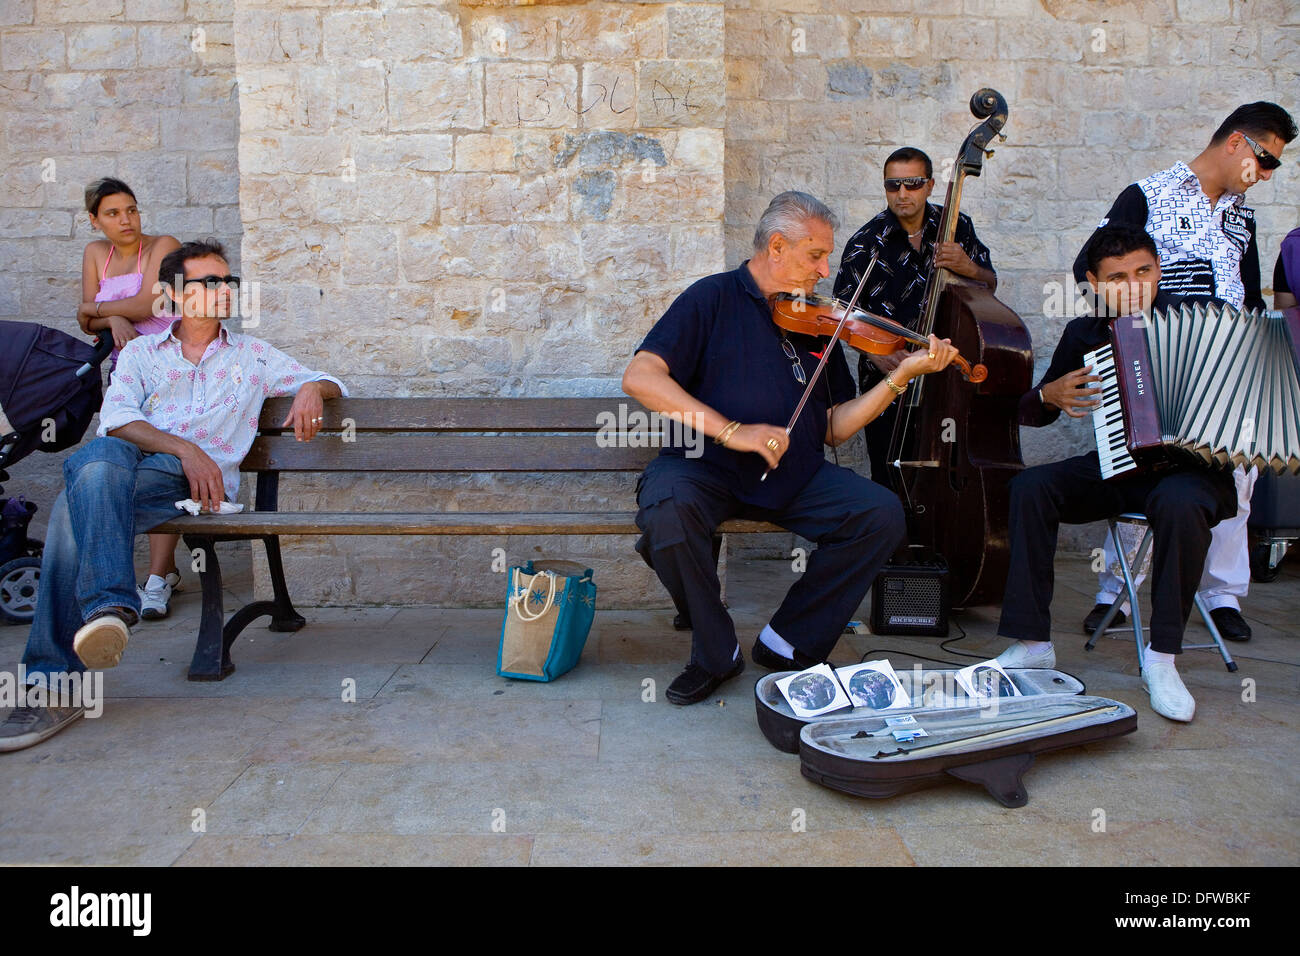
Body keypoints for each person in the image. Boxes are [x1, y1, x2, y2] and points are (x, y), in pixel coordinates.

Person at [0, 240, 347, 753]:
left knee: (78, 495)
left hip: (188, 489)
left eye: (228, 281)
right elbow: (116, 419)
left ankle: (63, 671)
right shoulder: (140, 353)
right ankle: (107, 614)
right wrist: (187, 448)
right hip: (137, 466)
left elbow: (330, 379)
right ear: (173, 295)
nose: (224, 290)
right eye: (210, 282)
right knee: (96, 464)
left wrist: (313, 389)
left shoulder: (252, 356)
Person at [623, 191, 957, 705]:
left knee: (880, 514)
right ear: (777, 246)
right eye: (815, 255)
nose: (826, 270)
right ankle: (716, 653)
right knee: (667, 516)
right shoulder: (711, 298)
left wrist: (901, 377)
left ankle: (788, 642)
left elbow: (833, 427)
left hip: (793, 473)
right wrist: (734, 431)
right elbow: (641, 378)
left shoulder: (817, 321)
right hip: (704, 466)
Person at [1071, 103, 1296, 642]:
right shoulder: (1145, 195)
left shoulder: (1243, 215)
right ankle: (1117, 594)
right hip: (1157, 370)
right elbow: (1088, 273)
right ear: (1238, 143)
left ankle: (1221, 595)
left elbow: (1248, 292)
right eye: (1267, 161)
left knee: (1238, 475)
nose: (1266, 175)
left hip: (1229, 368)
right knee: (1138, 468)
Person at [998, 225, 1237, 722]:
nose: (1133, 287)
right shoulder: (1084, 333)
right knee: (1031, 487)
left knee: (1178, 501)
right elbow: (1032, 411)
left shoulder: (1207, 320)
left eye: (1144, 272)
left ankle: (1162, 658)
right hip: (1123, 465)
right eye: (1117, 278)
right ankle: (1033, 643)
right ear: (1093, 282)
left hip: (1194, 474)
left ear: (1158, 269)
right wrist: (1048, 395)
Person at [833, 147, 996, 485]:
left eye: (912, 183)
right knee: (891, 472)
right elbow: (840, 315)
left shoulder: (957, 227)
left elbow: (989, 285)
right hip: (888, 378)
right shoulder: (866, 242)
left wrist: (966, 266)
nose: (902, 193)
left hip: (947, 373)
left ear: (930, 185)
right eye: (893, 185)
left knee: (948, 466)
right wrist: (875, 355)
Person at [78, 178, 185, 619]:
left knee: (163, 464)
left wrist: (108, 311)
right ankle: (129, 581)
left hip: (170, 368)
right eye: (113, 213)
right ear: (95, 220)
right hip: (125, 376)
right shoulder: (96, 254)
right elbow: (82, 318)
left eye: (132, 210)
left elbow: (154, 302)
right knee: (117, 463)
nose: (126, 220)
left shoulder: (164, 245)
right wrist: (112, 315)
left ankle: (157, 578)